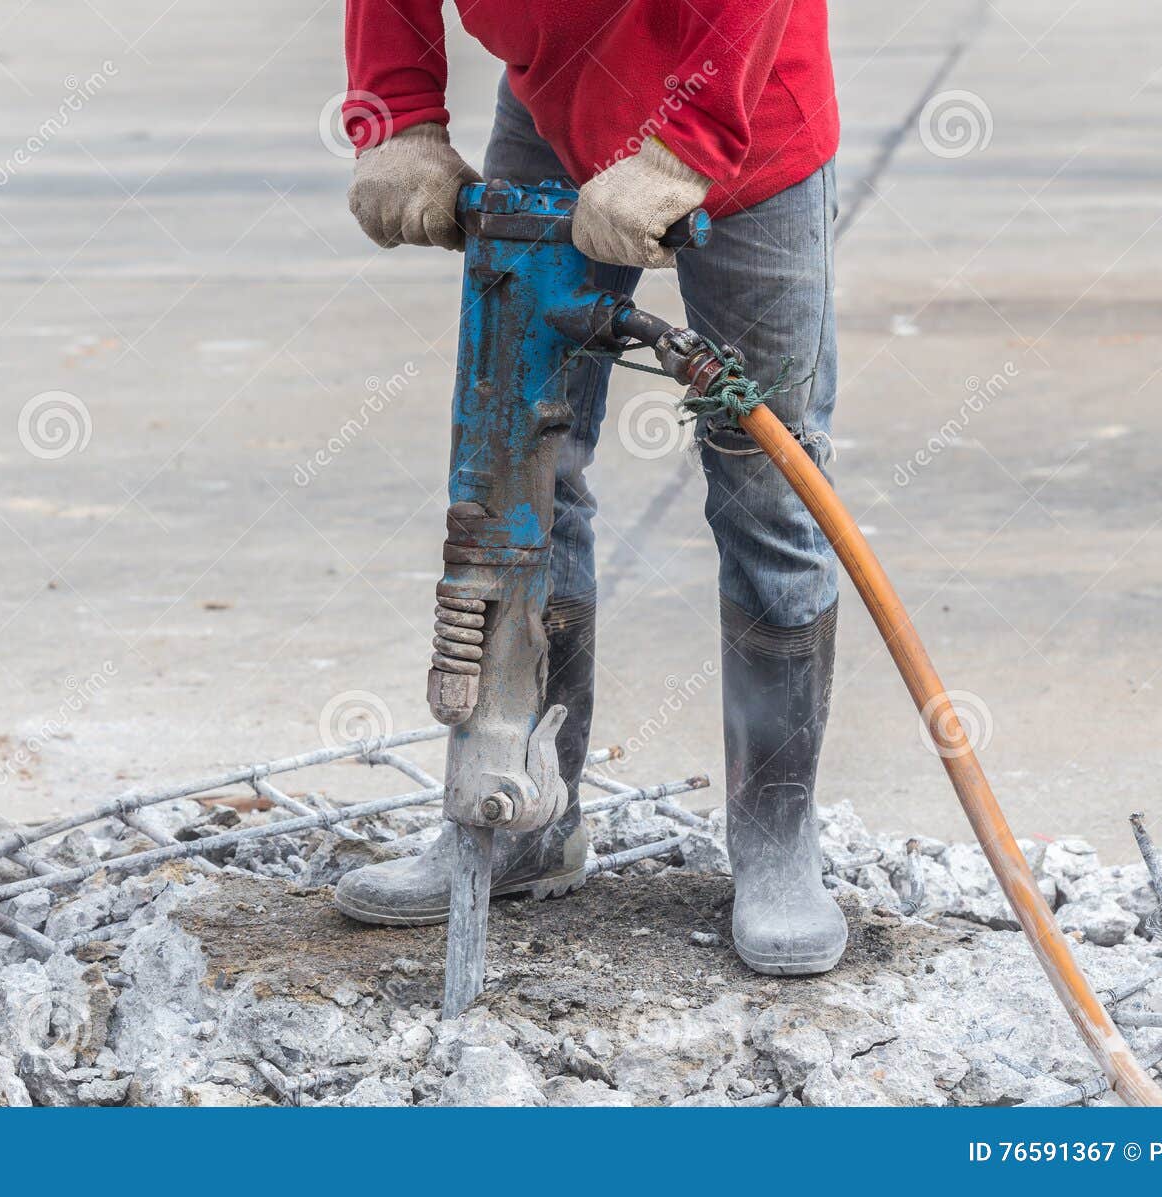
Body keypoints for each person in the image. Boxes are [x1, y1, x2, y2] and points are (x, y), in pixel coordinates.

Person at [331, 1, 847, 976]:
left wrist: (683, 147)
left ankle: (777, 841)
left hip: (748, 115)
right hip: (556, 107)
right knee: (514, 465)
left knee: (768, 485)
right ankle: (521, 817)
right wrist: (400, 117)